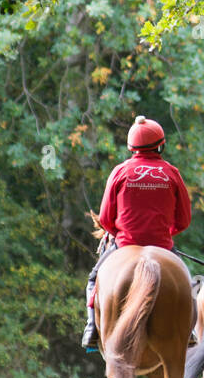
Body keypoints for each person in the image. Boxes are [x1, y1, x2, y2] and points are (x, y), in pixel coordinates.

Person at [82, 115, 192, 350]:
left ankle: (91, 328)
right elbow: (184, 219)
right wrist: (165, 233)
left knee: (93, 279)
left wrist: (119, 233)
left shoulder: (120, 171)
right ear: (161, 144)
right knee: (186, 283)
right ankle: (189, 330)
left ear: (132, 146)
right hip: (163, 246)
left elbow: (104, 218)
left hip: (124, 244)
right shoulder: (172, 173)